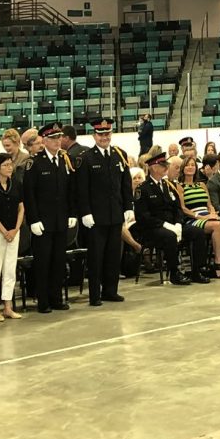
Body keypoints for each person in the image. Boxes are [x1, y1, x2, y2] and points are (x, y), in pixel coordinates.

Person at [74, 117, 135, 305]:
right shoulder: (85, 158)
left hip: (115, 215)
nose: (104, 137)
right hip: (95, 217)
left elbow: (125, 185)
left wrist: (128, 207)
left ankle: (111, 290)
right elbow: (81, 189)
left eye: (107, 133)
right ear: (94, 135)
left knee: (112, 255)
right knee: (96, 257)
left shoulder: (120, 155)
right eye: (100, 134)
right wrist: (85, 212)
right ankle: (95, 295)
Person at [24, 121, 76, 313]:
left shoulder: (64, 160)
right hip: (42, 222)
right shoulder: (34, 163)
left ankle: (56, 298)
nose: (57, 141)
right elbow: (29, 194)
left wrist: (72, 213)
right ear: (44, 140)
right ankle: (43, 300)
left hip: (60, 220)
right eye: (53, 138)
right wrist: (33, 219)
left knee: (58, 262)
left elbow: (70, 191)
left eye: (59, 137)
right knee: (43, 262)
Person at [133, 147, 193, 285]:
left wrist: (178, 223)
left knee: (196, 232)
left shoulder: (168, 185)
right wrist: (165, 225)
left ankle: (197, 269)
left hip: (172, 224)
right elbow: (143, 216)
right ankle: (174, 272)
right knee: (169, 236)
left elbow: (177, 207)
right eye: (162, 165)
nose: (166, 168)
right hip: (152, 228)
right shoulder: (143, 189)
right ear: (153, 167)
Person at [0, 152, 25, 321]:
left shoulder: (16, 184)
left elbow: (21, 208)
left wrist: (15, 229)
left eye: (10, 164)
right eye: (6, 165)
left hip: (13, 232)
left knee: (10, 269)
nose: (10, 168)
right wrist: (3, 230)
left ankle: (8, 306)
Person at [172, 154, 220, 282]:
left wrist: (213, 213)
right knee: (218, 226)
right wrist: (201, 216)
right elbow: (183, 208)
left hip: (207, 215)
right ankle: (216, 262)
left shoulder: (202, 185)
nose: (190, 168)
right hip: (192, 218)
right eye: (187, 165)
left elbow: (209, 204)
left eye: (193, 165)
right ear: (183, 168)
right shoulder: (179, 186)